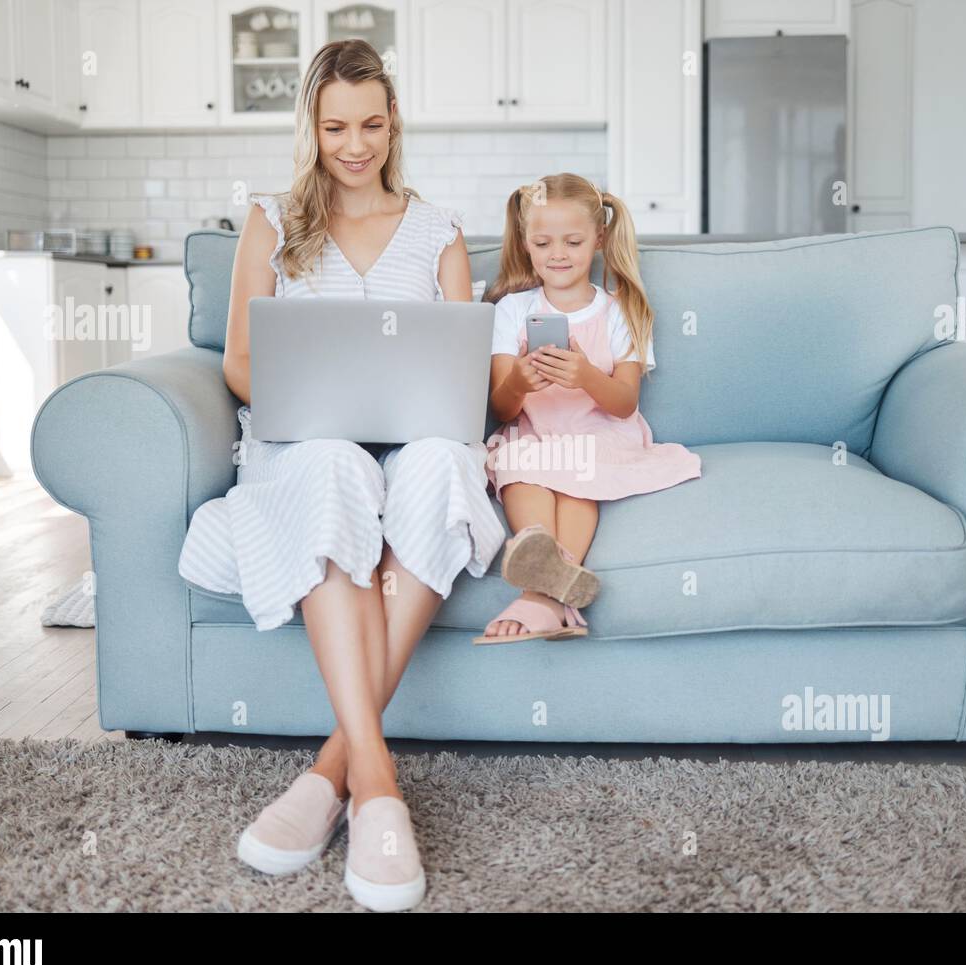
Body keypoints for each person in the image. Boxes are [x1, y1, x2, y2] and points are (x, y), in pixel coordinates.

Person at [177, 39, 505, 912]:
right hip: (307, 439)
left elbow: (462, 368)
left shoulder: (438, 230)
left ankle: (330, 773)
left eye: (370, 123)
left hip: (414, 440)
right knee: (330, 465)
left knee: (439, 464)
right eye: (335, 127)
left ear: (393, 121)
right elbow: (241, 361)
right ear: (310, 129)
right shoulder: (272, 221)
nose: (354, 144)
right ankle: (380, 784)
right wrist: (312, 405)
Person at [476, 173, 702, 644]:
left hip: (599, 435)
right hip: (535, 431)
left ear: (599, 239)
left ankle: (541, 594)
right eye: (542, 242)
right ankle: (548, 569)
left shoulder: (622, 311)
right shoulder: (512, 310)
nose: (558, 254)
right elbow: (501, 406)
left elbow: (624, 403)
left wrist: (586, 376)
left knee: (580, 475)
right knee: (520, 464)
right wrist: (518, 379)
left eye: (573, 241)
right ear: (525, 243)